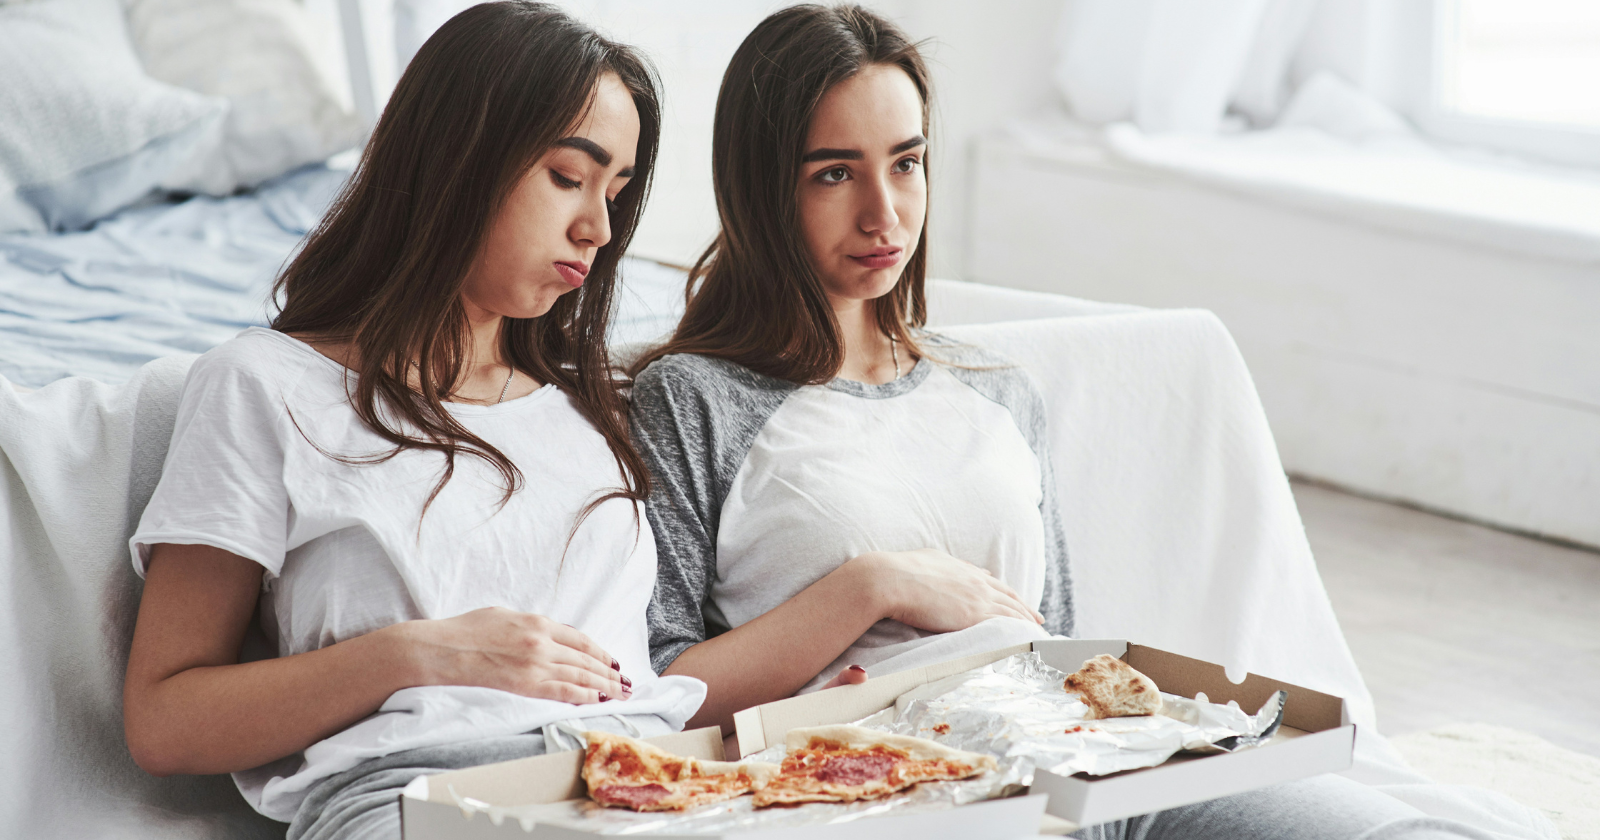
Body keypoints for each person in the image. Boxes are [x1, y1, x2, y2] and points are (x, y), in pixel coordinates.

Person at [628, 6, 1492, 839]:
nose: (883, 214)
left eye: (906, 162)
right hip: (886, 781)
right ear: (760, 188)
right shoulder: (693, 397)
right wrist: (874, 586)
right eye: (833, 172)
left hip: (1092, 749)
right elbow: (667, 692)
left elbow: (1060, 638)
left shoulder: (994, 390)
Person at [121, 5, 702, 839]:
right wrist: (423, 654)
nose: (599, 229)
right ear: (458, 157)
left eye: (616, 192)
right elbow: (164, 721)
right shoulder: (266, 387)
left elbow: (656, 664)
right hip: (422, 804)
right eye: (569, 177)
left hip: (655, 785)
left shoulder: (588, 400)